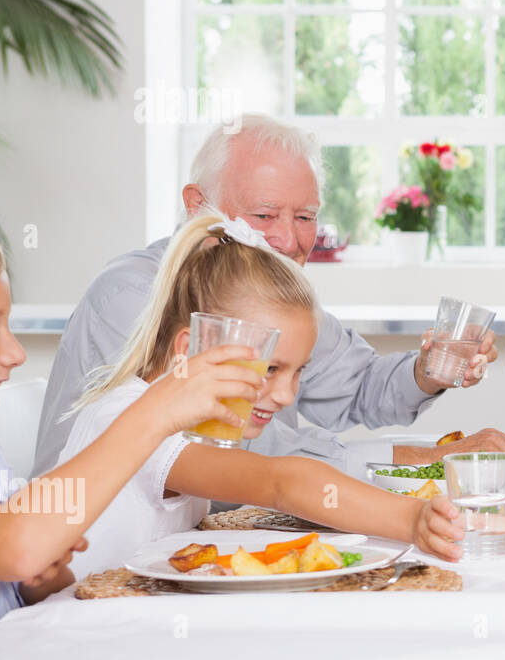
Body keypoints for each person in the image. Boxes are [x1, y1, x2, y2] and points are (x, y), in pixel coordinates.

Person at [36, 116, 505, 478]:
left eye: (306, 216)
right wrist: (423, 460)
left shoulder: (269, 293)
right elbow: (250, 455)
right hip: (86, 561)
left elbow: (356, 389)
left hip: (214, 533)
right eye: (265, 216)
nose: (289, 242)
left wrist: (427, 369)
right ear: (195, 205)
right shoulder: (133, 295)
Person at [58, 211, 468, 577]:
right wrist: (412, 519)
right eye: (269, 368)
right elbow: (281, 483)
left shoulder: (195, 427)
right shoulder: (132, 420)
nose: (287, 396)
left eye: (297, 371)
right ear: (190, 350)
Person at [0, 231, 268, 627]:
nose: (17, 354)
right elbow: (16, 547)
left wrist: (41, 575)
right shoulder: (125, 410)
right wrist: (156, 412)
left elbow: (29, 579)